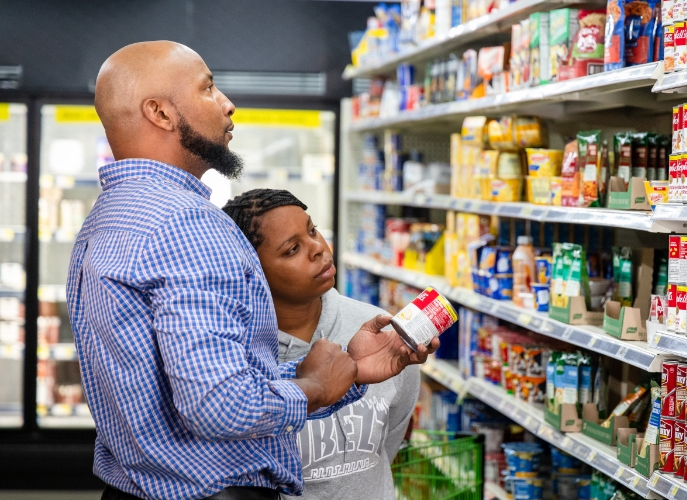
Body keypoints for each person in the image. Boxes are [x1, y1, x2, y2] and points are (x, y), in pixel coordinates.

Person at [67, 41, 437, 500]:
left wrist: (348, 371)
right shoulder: (188, 224)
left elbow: (197, 386)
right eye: (208, 88)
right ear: (160, 113)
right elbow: (217, 406)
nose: (227, 103)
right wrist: (316, 388)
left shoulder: (107, 217)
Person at [221, 189, 419, 500]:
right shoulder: (235, 354)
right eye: (292, 249)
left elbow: (391, 437)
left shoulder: (377, 330)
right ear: (253, 270)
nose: (317, 248)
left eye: (312, 230)